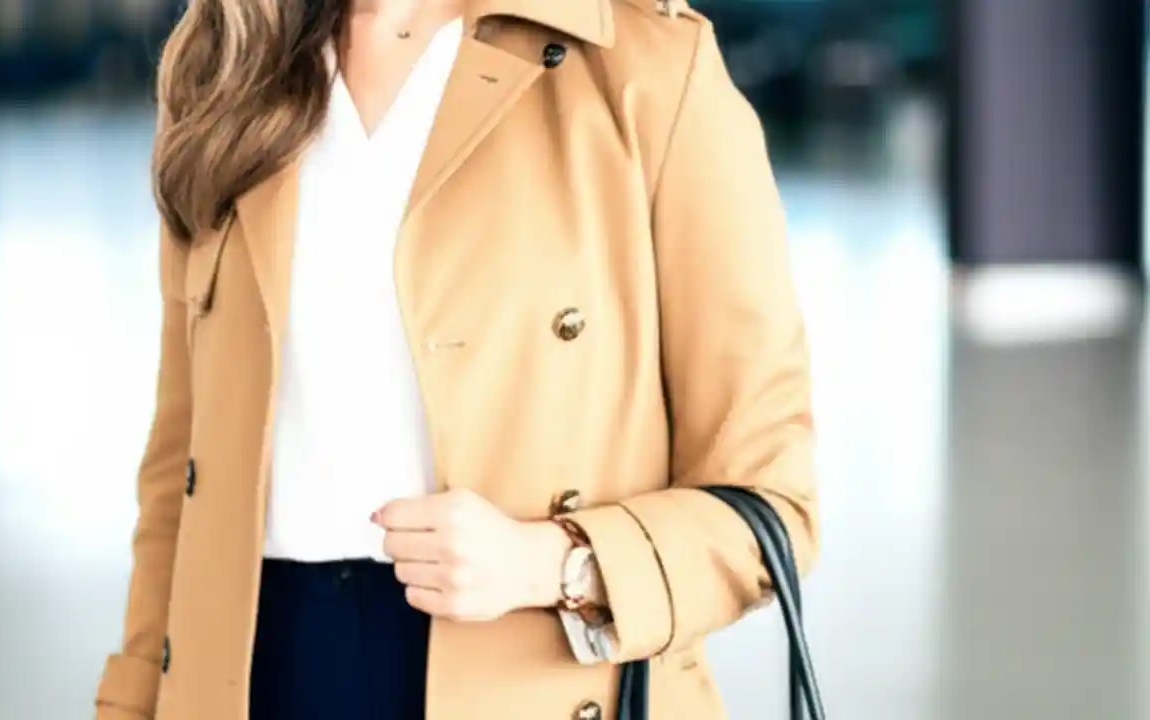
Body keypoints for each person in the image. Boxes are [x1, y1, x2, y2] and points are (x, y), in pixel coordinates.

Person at [94, 0, 818, 718]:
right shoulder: (226, 66)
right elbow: (180, 472)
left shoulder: (649, 71)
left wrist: (560, 563)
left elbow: (772, 504)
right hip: (255, 680)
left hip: (533, 681)